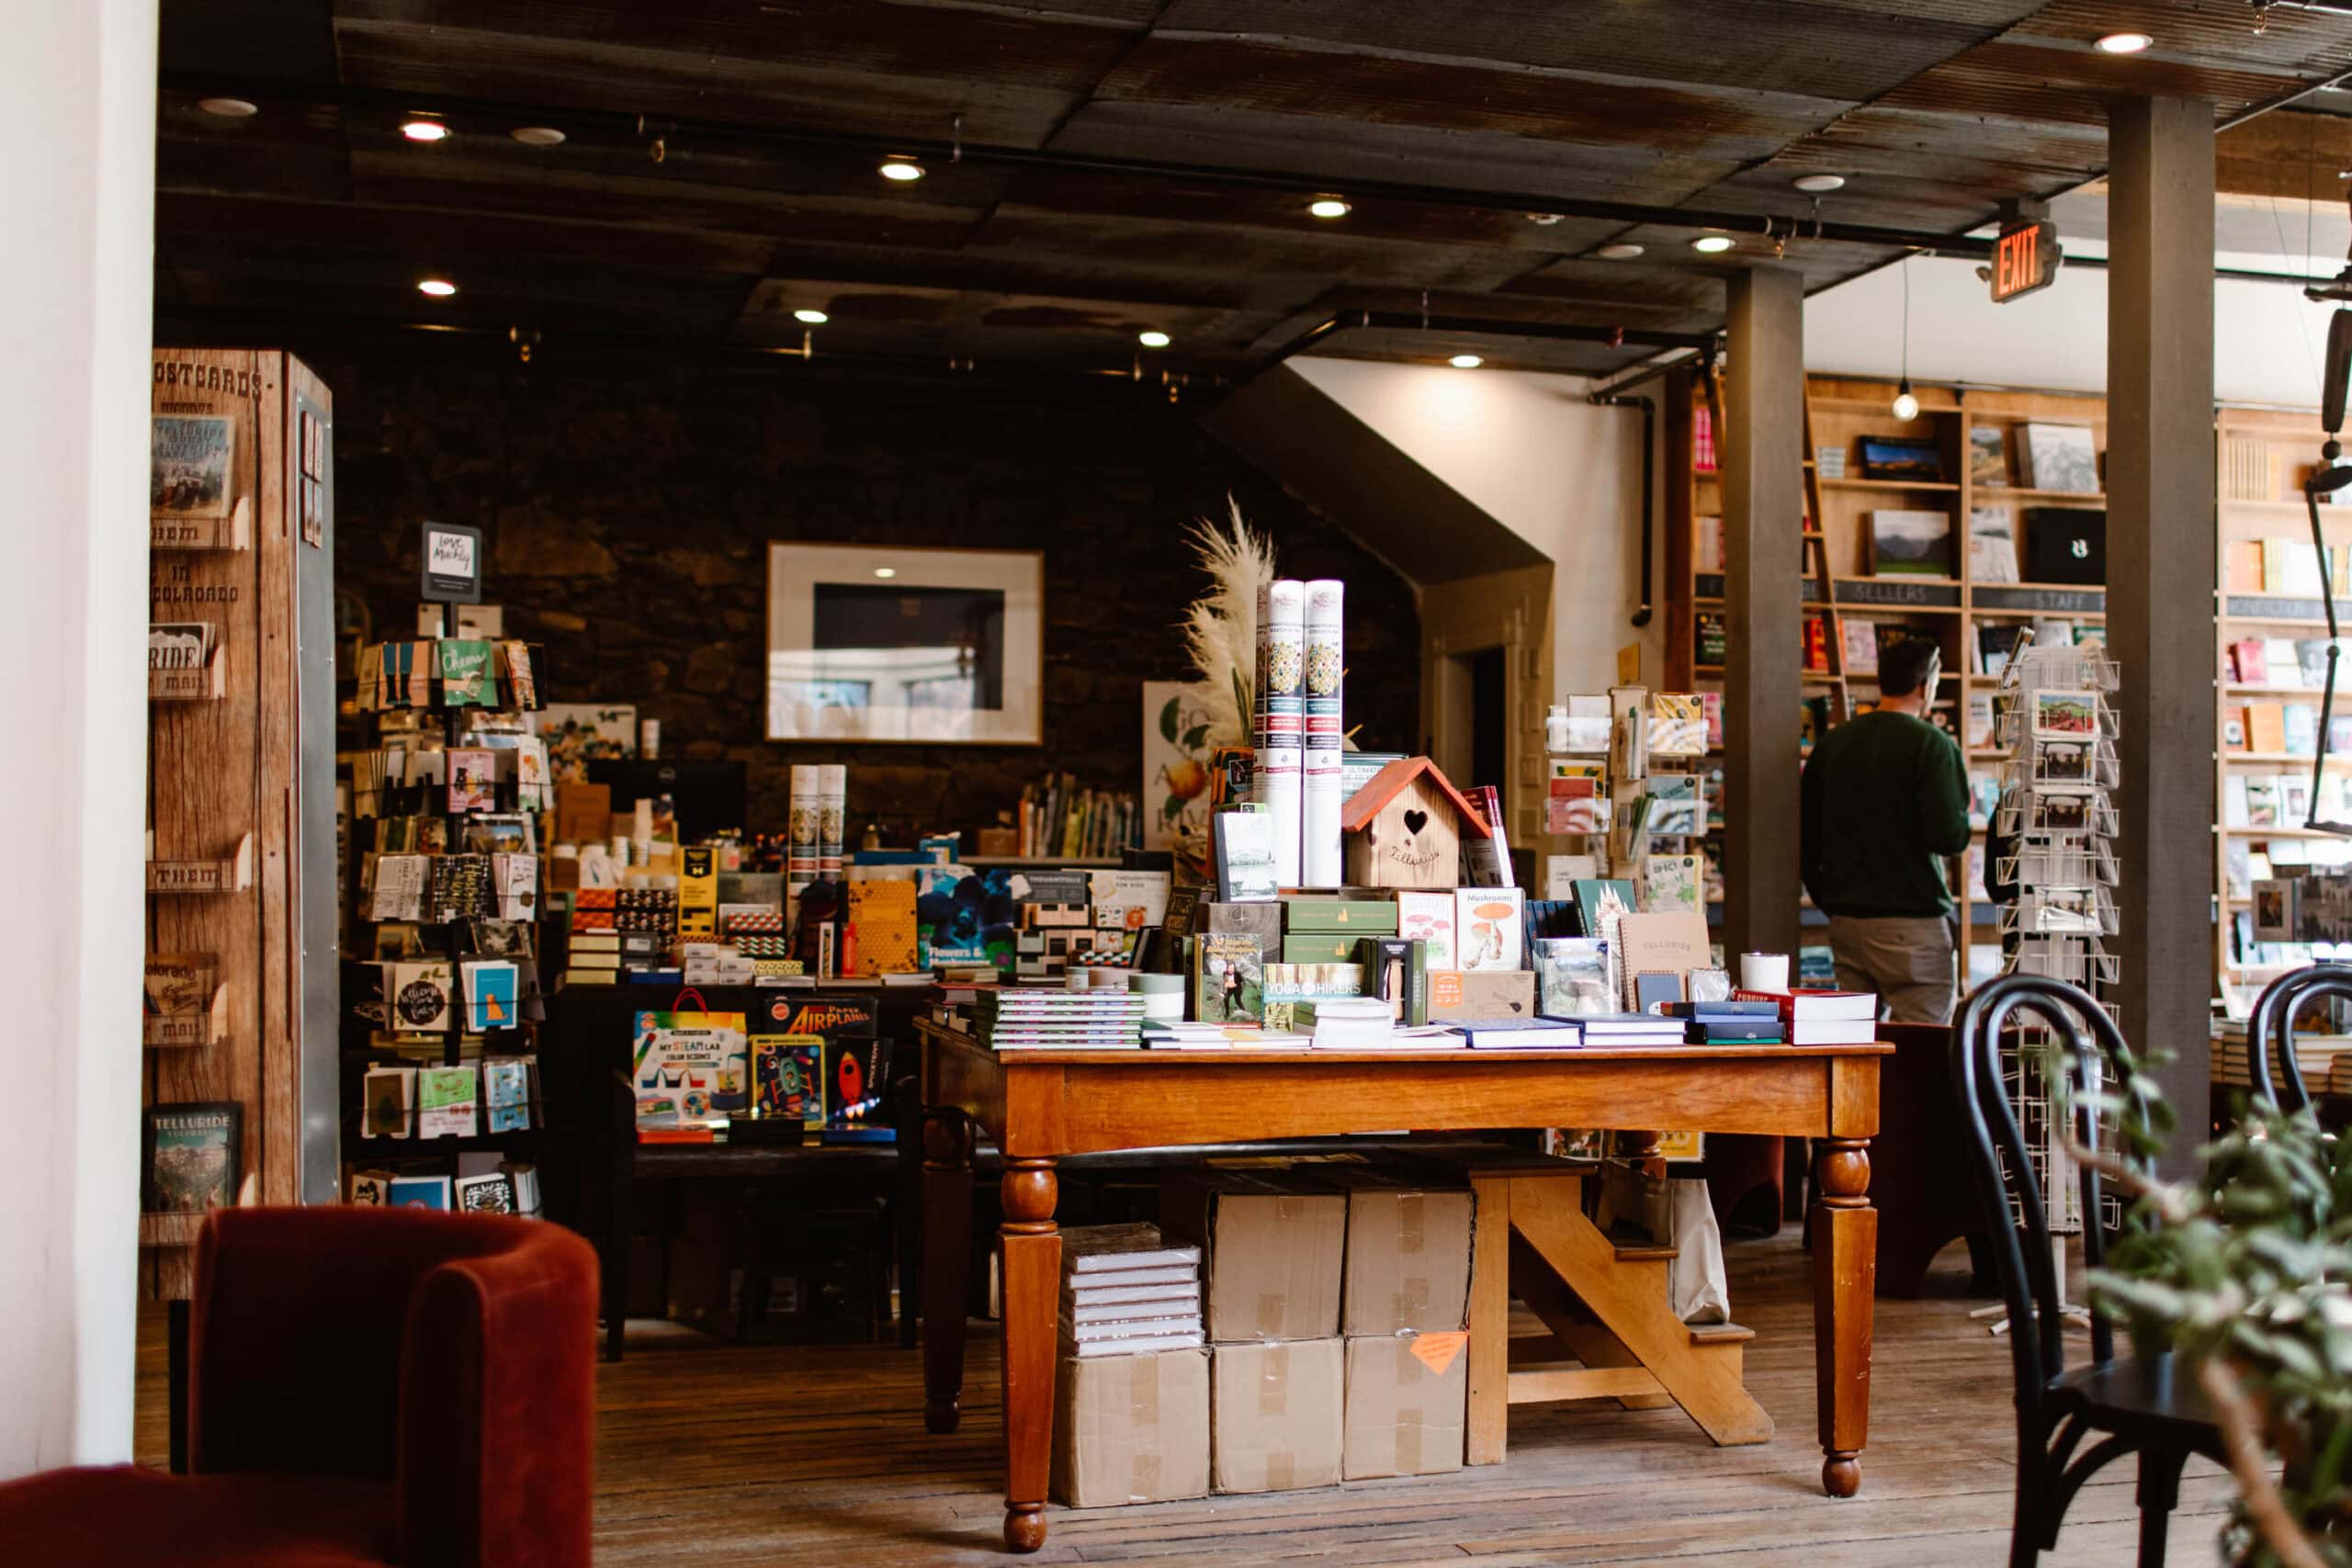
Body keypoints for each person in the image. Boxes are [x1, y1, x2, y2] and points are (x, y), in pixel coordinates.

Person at [1799, 637, 1973, 1023]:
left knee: (1855, 1047)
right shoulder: (1933, 745)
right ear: (1924, 686)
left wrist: (1832, 902)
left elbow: (1806, 837)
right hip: (1913, 925)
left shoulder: (1834, 743)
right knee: (1920, 1057)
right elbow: (1948, 838)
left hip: (1846, 922)